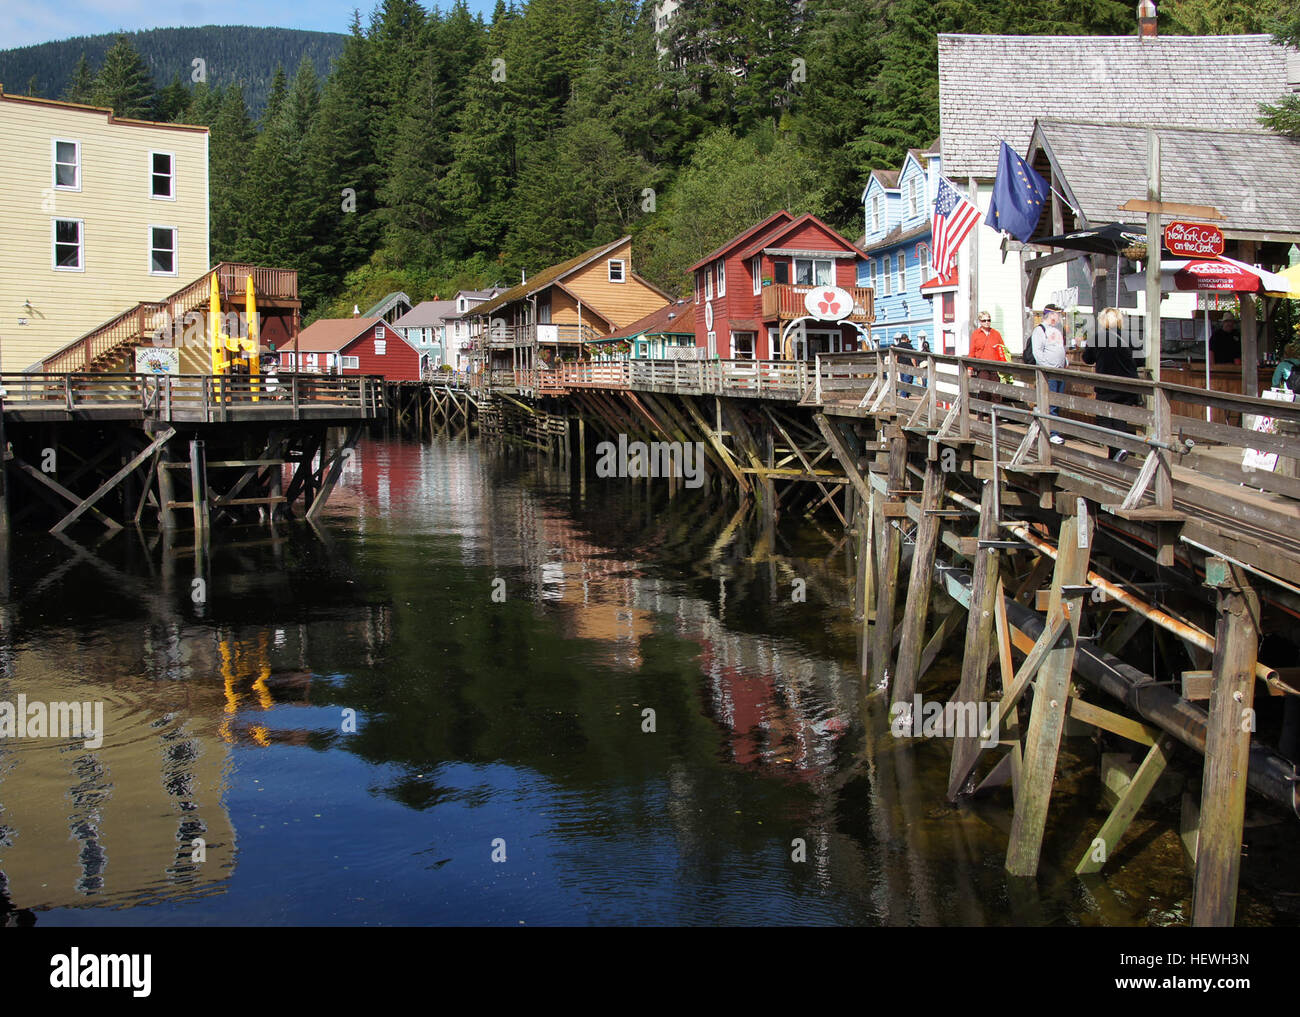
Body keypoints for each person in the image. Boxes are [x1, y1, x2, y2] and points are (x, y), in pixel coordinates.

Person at [1083, 307, 1141, 461]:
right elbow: (1141, 360)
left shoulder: (1098, 338)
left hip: (1106, 386)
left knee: (1104, 420)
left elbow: (1087, 359)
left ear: (1103, 321)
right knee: (1120, 419)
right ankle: (1116, 455)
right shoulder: (1130, 337)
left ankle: (1117, 449)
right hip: (1127, 385)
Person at [1030, 303, 1068, 443]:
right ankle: (1052, 433)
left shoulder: (1057, 331)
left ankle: (1048, 428)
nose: (1059, 317)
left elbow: (1059, 348)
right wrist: (1047, 367)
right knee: (1050, 403)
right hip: (1049, 372)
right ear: (1051, 315)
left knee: (1057, 402)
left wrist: (1065, 361)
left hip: (1060, 371)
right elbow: (1037, 352)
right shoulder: (1040, 331)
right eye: (1057, 314)